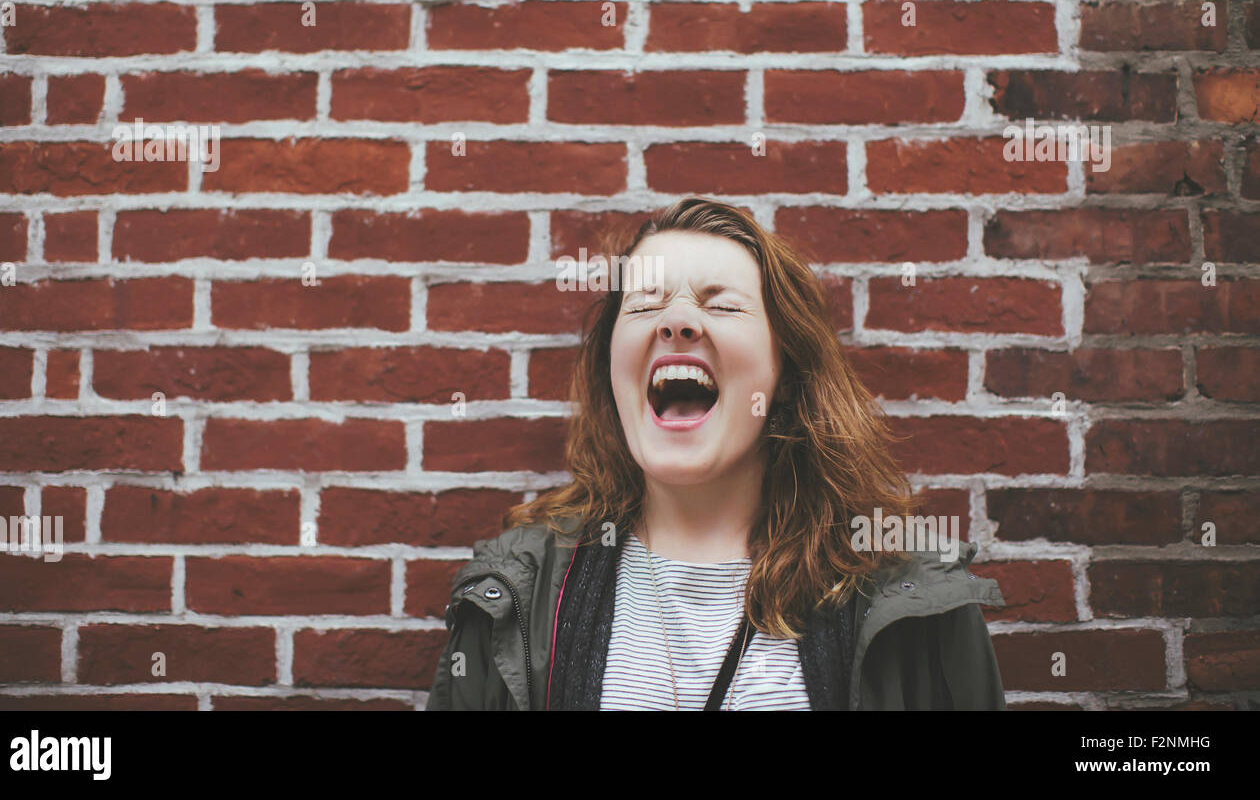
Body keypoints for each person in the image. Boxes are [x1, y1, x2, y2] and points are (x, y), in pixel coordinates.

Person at [427, 197, 1006, 710]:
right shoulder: (516, 590)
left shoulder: (910, 594)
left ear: (785, 372)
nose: (677, 321)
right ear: (612, 368)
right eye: (645, 303)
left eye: (722, 305)